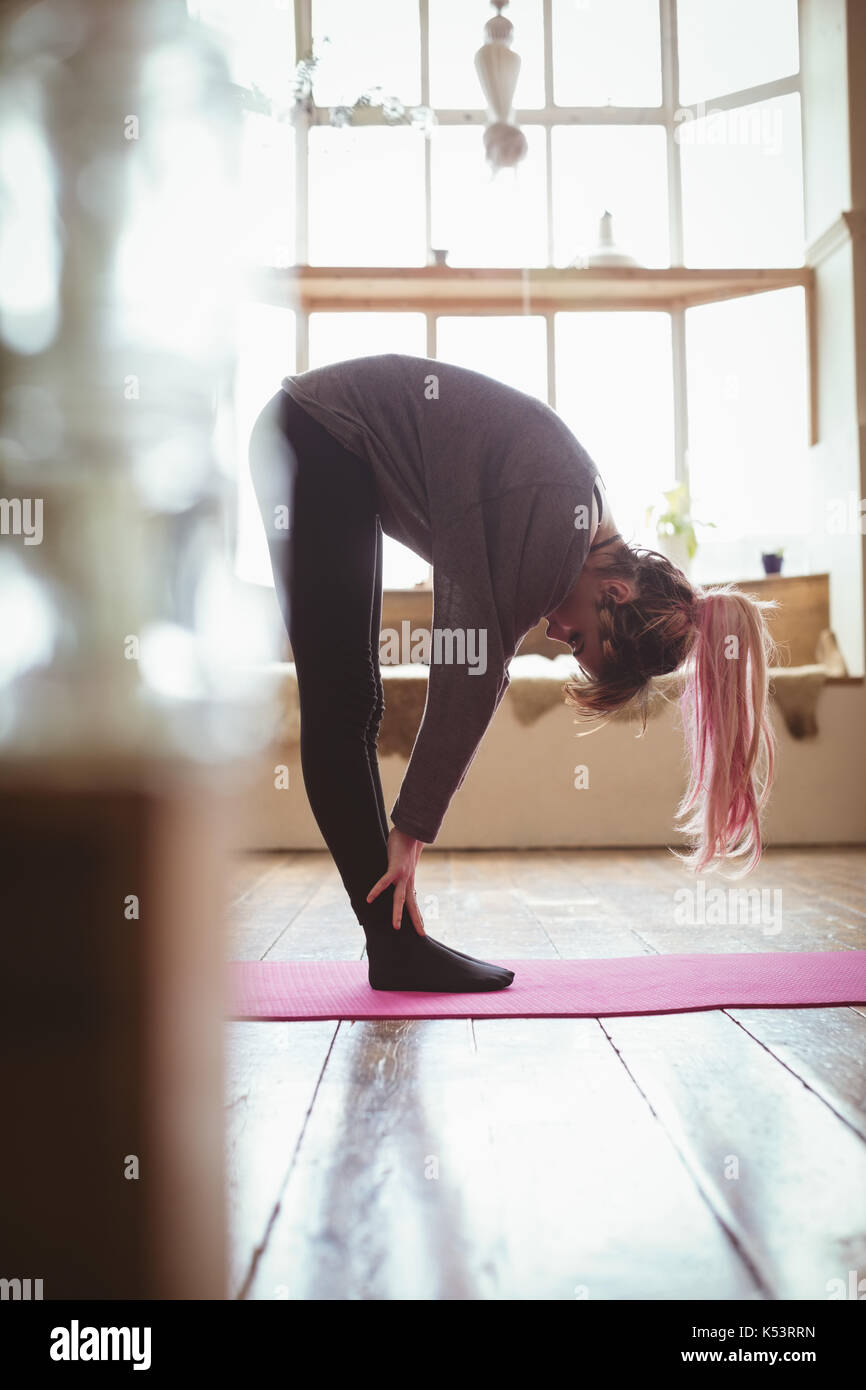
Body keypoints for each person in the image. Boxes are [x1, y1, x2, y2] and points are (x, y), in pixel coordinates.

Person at [248, 353, 776, 993]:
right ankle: (393, 947)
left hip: (324, 441)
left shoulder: (572, 516)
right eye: (577, 639)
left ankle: (392, 947)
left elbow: (478, 659)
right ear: (614, 591)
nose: (555, 636)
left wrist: (414, 823)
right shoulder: (558, 525)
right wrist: (410, 833)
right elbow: (469, 661)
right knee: (343, 698)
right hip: (316, 435)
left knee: (352, 698)